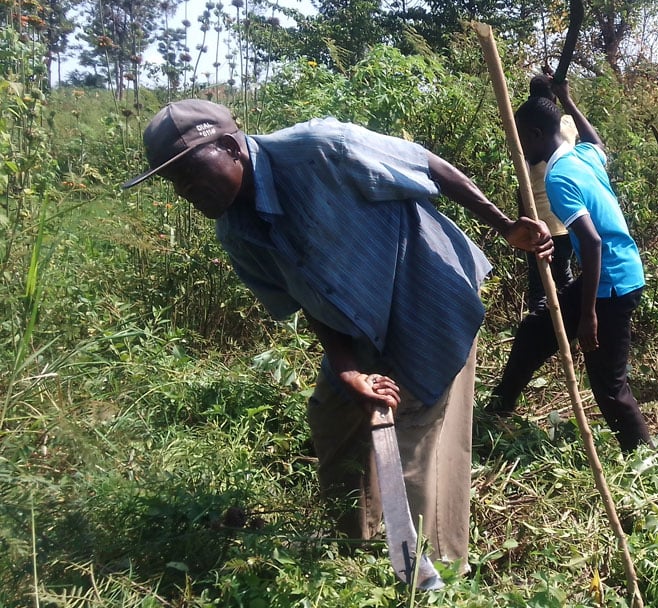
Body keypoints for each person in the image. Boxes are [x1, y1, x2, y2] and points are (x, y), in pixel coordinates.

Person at [121, 99, 553, 570]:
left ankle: (435, 573)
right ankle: (352, 550)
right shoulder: (236, 232)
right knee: (333, 418)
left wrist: (505, 226)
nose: (185, 190)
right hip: (357, 326)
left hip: (427, 297)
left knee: (414, 438)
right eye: (173, 181)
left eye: (189, 171)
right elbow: (312, 299)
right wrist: (348, 372)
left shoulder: (320, 149)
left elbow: (428, 164)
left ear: (229, 146)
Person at [486, 79, 652, 453]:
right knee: (534, 331)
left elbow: (592, 243)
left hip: (612, 283)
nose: (518, 149)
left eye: (520, 140)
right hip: (613, 272)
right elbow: (597, 142)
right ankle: (499, 406)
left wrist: (588, 316)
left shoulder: (559, 177)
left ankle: (646, 460)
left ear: (535, 134)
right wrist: (567, 99)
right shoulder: (583, 155)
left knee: (609, 388)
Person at [522, 75, 576, 312]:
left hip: (540, 220)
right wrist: (562, 93)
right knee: (564, 279)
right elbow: (571, 117)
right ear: (554, 99)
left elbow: (522, 181)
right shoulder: (567, 126)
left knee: (539, 287)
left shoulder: (526, 132)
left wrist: (524, 220)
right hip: (568, 219)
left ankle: (543, 328)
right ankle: (571, 323)